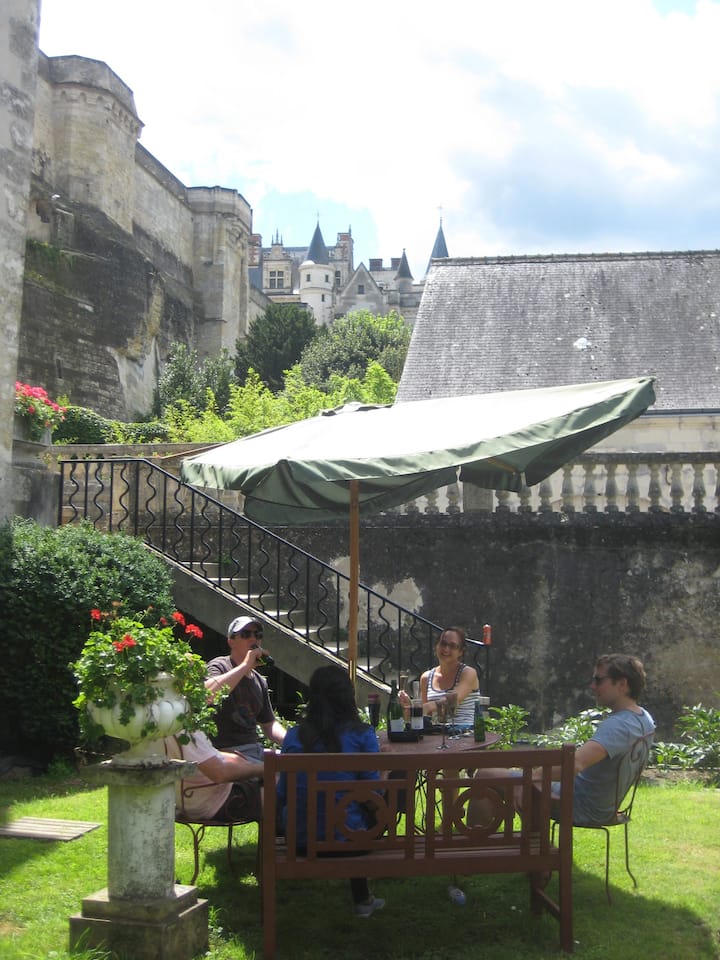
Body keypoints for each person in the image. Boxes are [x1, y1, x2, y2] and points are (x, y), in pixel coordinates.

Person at [469, 653, 655, 829]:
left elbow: (575, 764)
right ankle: (520, 846)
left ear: (622, 684)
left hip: (579, 804)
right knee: (506, 781)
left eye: (599, 680)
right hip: (602, 805)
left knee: (484, 775)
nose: (592, 686)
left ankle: (473, 846)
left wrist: (529, 779)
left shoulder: (619, 726)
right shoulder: (643, 719)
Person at [276, 664, 385, 919]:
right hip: (352, 842)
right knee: (361, 810)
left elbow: (282, 795)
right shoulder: (362, 735)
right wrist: (387, 773)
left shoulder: (294, 737)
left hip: (301, 841)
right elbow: (374, 796)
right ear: (348, 697)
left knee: (336, 808)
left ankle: (362, 899)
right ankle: (362, 899)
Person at [205, 616, 286, 759]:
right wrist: (245, 666)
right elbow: (208, 695)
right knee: (275, 777)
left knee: (297, 767)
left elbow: (268, 724)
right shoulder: (220, 666)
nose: (253, 639)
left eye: (257, 635)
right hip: (226, 753)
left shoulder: (260, 681)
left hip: (254, 750)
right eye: (246, 634)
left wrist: (291, 742)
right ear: (231, 641)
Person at [165, 729, 264, 822]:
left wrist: (237, 759)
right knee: (274, 783)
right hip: (214, 801)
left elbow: (205, 757)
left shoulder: (164, 726)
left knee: (272, 779)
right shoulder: (184, 731)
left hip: (190, 799)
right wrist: (264, 768)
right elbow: (220, 773)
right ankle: (272, 837)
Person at [401, 626, 480, 732]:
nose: (446, 649)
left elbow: (454, 699)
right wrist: (408, 708)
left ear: (461, 652)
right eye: (443, 644)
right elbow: (426, 717)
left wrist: (427, 707)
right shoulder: (426, 677)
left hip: (465, 733)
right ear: (436, 646)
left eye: (453, 646)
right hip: (437, 735)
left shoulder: (468, 673)